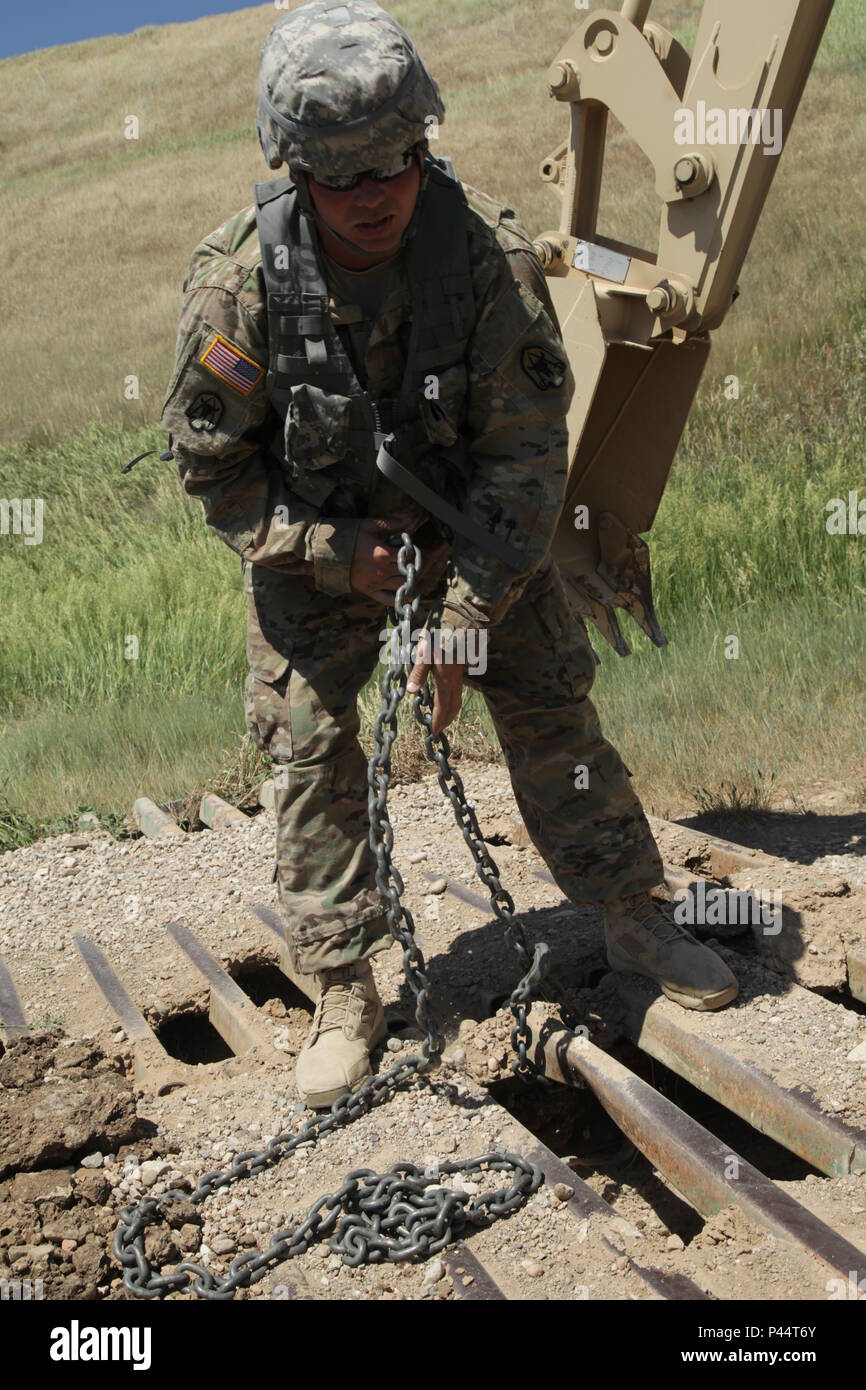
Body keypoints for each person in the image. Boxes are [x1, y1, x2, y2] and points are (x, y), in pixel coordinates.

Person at [161, 0, 738, 1109]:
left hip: (473, 531)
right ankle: (343, 987)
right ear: (294, 172)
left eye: (395, 163)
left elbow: (526, 466)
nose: (374, 194)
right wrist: (334, 552)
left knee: (553, 709)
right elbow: (215, 474)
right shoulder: (234, 291)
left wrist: (465, 617)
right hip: (318, 547)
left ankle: (634, 914)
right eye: (342, 179)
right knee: (309, 744)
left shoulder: (487, 261)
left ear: (423, 143)